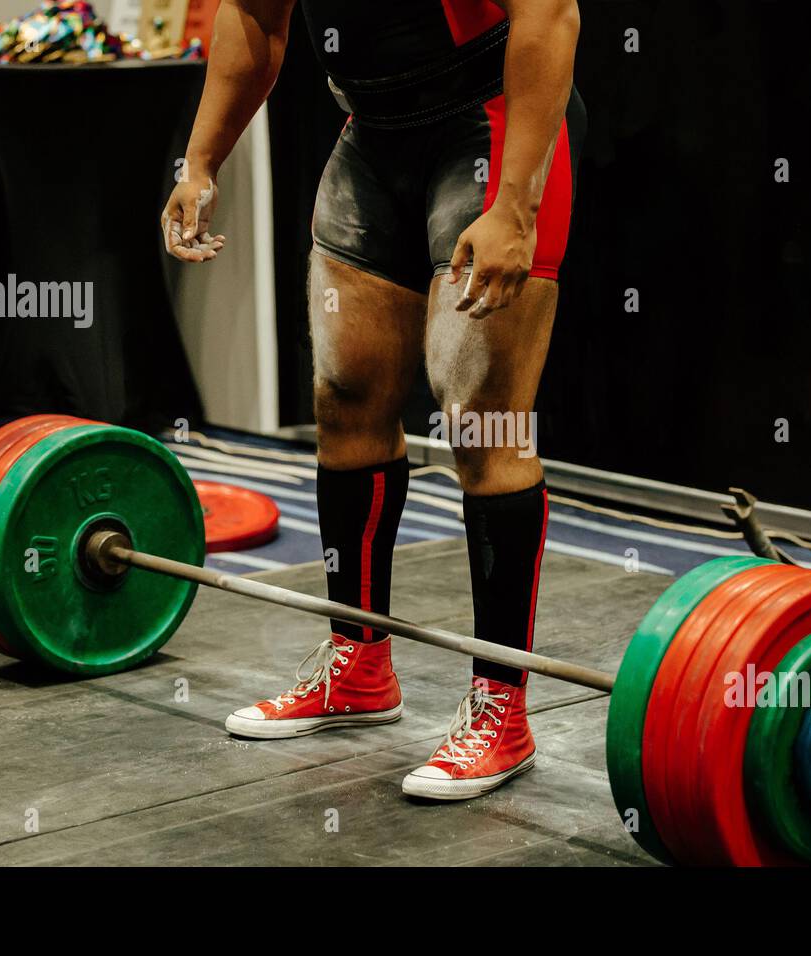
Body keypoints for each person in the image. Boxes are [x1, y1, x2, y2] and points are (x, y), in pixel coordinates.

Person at [161, 0, 585, 798]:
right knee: (345, 397)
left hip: (490, 128)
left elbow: (550, 16)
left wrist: (515, 206)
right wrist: (200, 163)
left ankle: (502, 708)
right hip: (372, 135)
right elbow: (255, 21)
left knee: (482, 423)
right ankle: (356, 666)